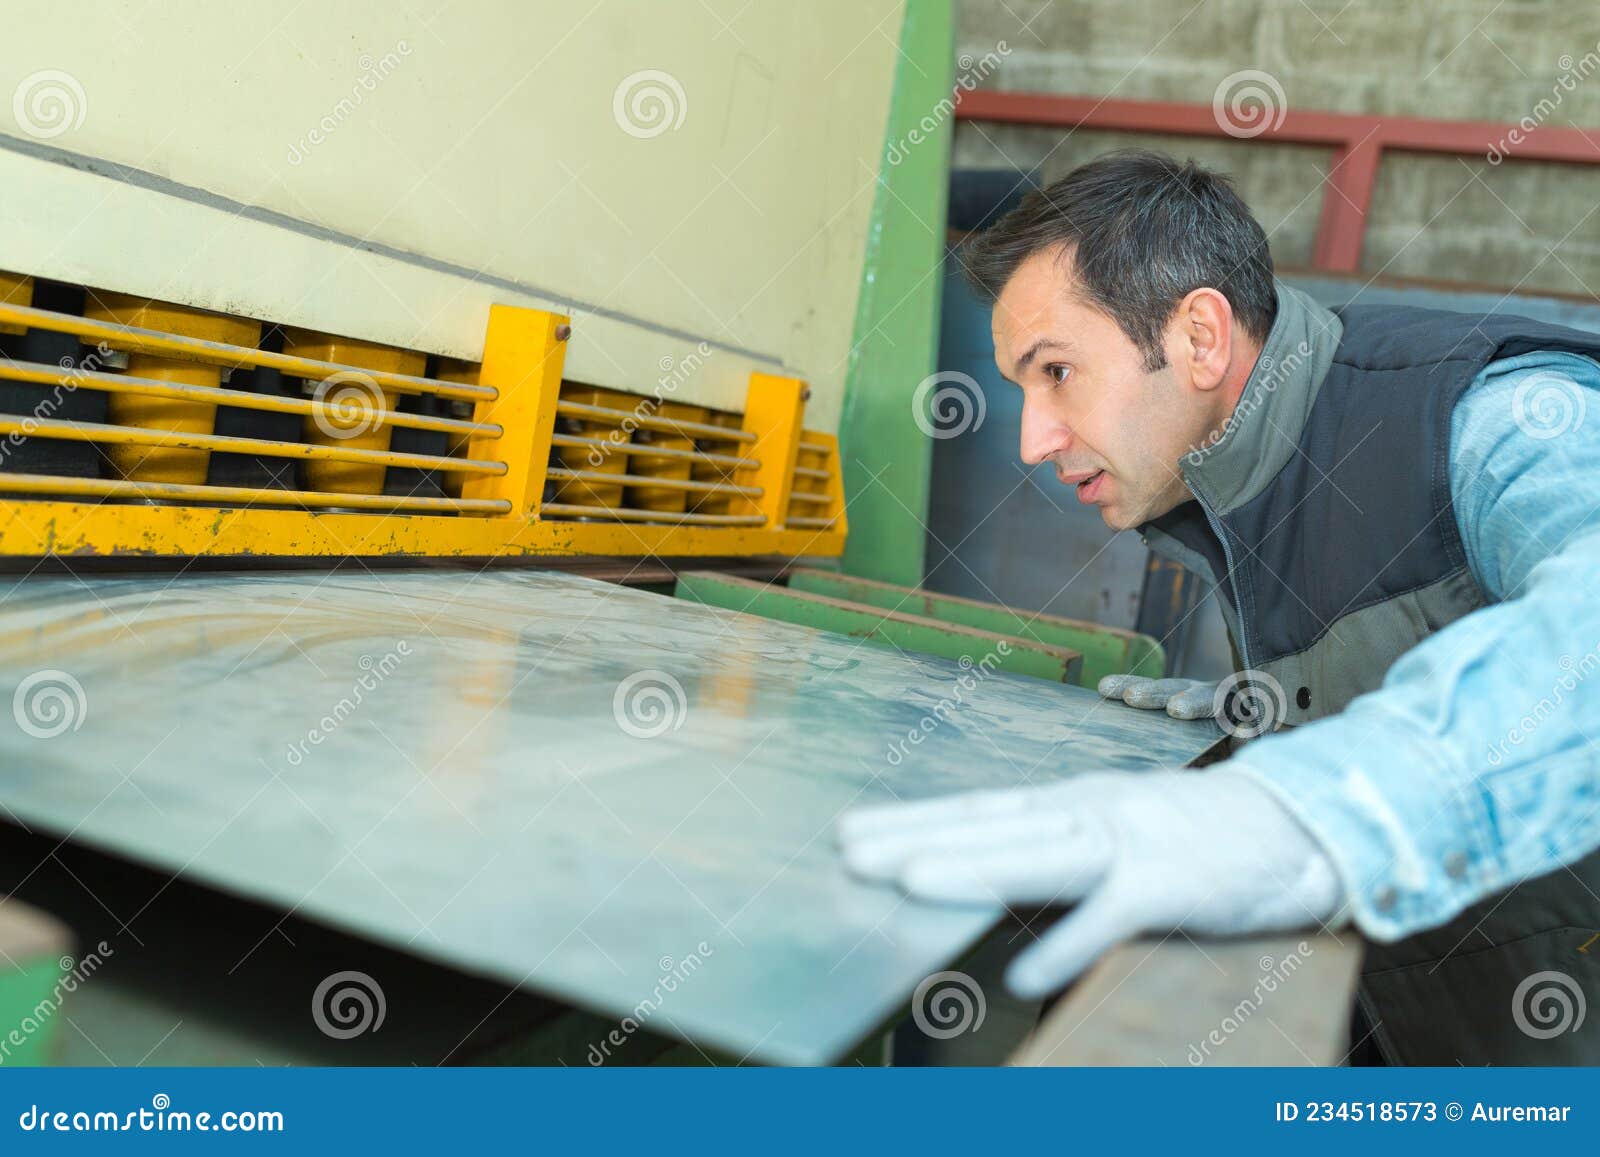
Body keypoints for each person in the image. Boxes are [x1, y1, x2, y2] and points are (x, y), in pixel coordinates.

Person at [838, 149, 1600, 1064]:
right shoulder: (1240, 477)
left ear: (1200, 337)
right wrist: (1297, 702)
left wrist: (1304, 811)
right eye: (1020, 390)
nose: (1035, 440)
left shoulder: (1495, 417)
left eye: (1058, 373)